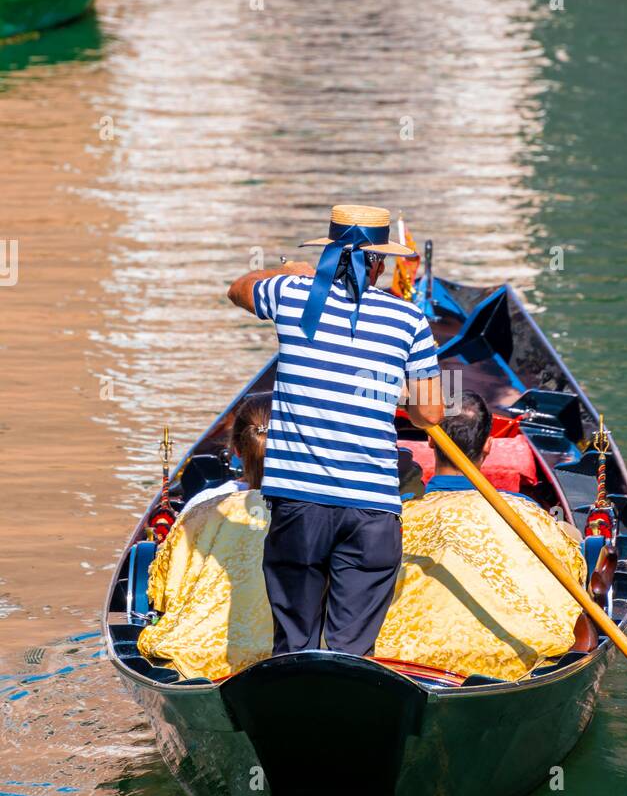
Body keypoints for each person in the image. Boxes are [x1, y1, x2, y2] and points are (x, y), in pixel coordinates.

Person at [227, 205, 444, 657]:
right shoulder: (410, 320)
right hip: (372, 511)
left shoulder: (290, 294)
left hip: (299, 506)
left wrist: (292, 272)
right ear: (380, 263)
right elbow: (430, 415)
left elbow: (238, 290)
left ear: (328, 251)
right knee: (351, 652)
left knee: (294, 647)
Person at [375, 390, 596, 681]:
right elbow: (573, 566)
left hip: (394, 661)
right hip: (510, 661)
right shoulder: (525, 513)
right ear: (489, 446)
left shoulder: (397, 514)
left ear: (430, 440)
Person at [136, 396, 274, 681]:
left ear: (236, 450)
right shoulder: (318, 509)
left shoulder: (205, 504)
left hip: (203, 654)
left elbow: (168, 592)